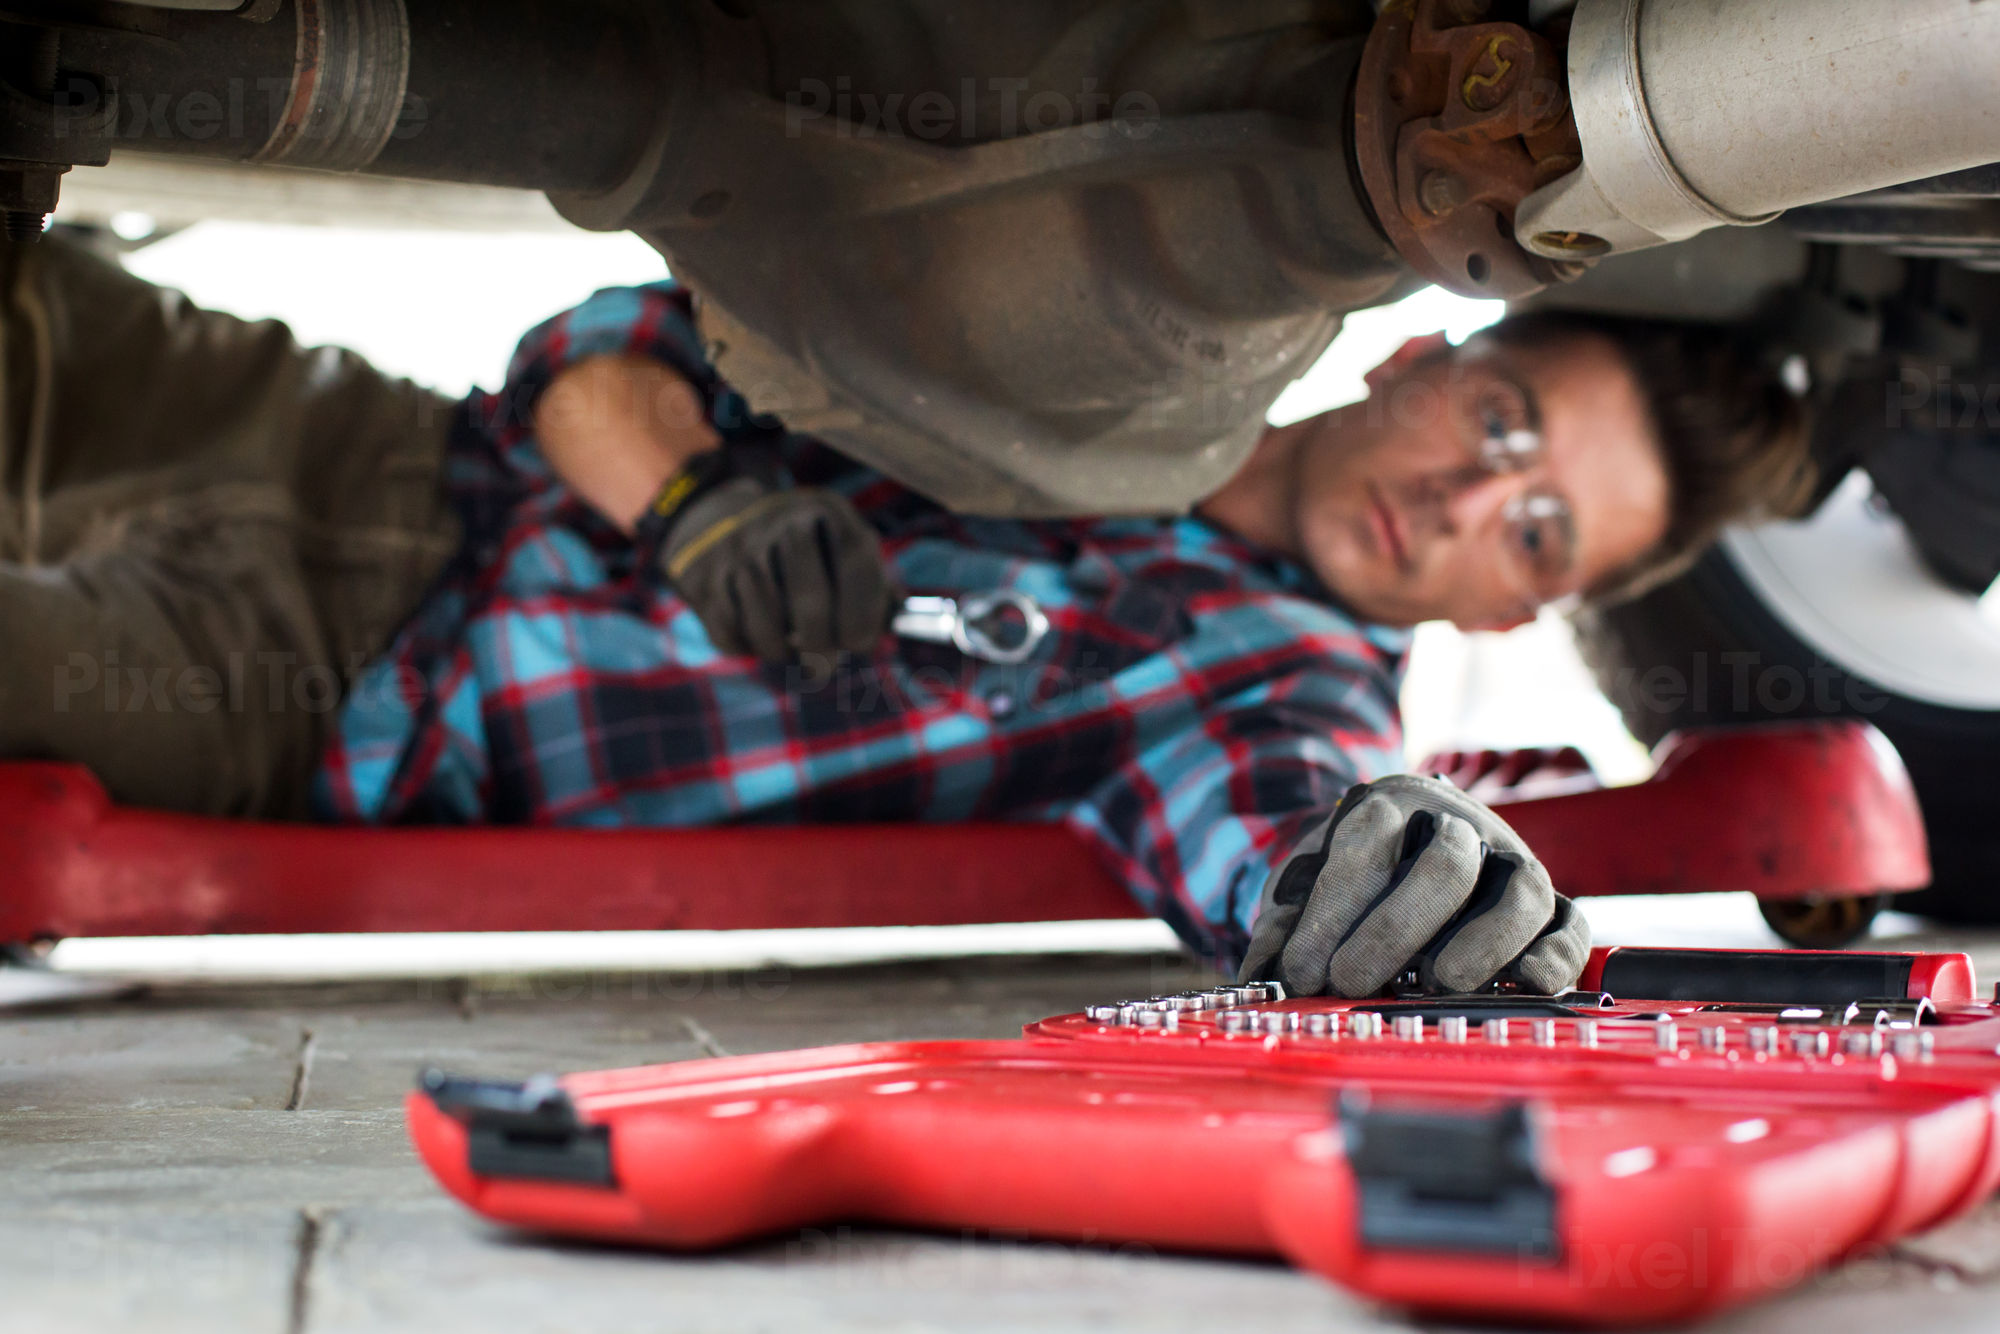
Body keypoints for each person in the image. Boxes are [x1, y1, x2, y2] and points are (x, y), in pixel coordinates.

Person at [0, 234, 1812, 995]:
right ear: (1422, 351)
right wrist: (702, 500)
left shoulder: (1259, 681)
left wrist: (1404, 880)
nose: (1470, 506)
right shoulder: (1106, 349)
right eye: (1502, 430)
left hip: (331, 697)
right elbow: (609, 343)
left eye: (1540, 531)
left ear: (1530, 604)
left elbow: (1296, 830)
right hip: (354, 439)